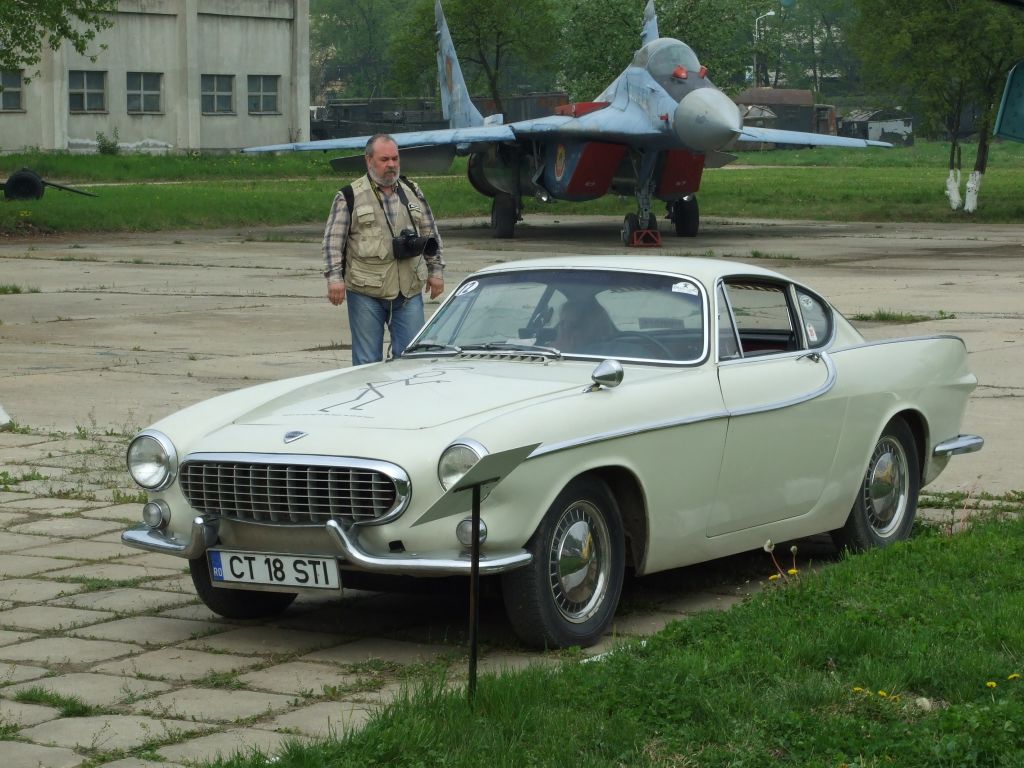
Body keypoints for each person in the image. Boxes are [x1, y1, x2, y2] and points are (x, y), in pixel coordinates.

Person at [322, 134, 445, 365]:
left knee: (410, 360)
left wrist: (436, 271)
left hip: (408, 290)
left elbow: (431, 234)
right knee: (367, 363)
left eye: (395, 159)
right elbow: (332, 242)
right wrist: (334, 279)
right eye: (384, 159)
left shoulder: (412, 191)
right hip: (366, 292)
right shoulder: (349, 196)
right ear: (369, 161)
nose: (391, 165)